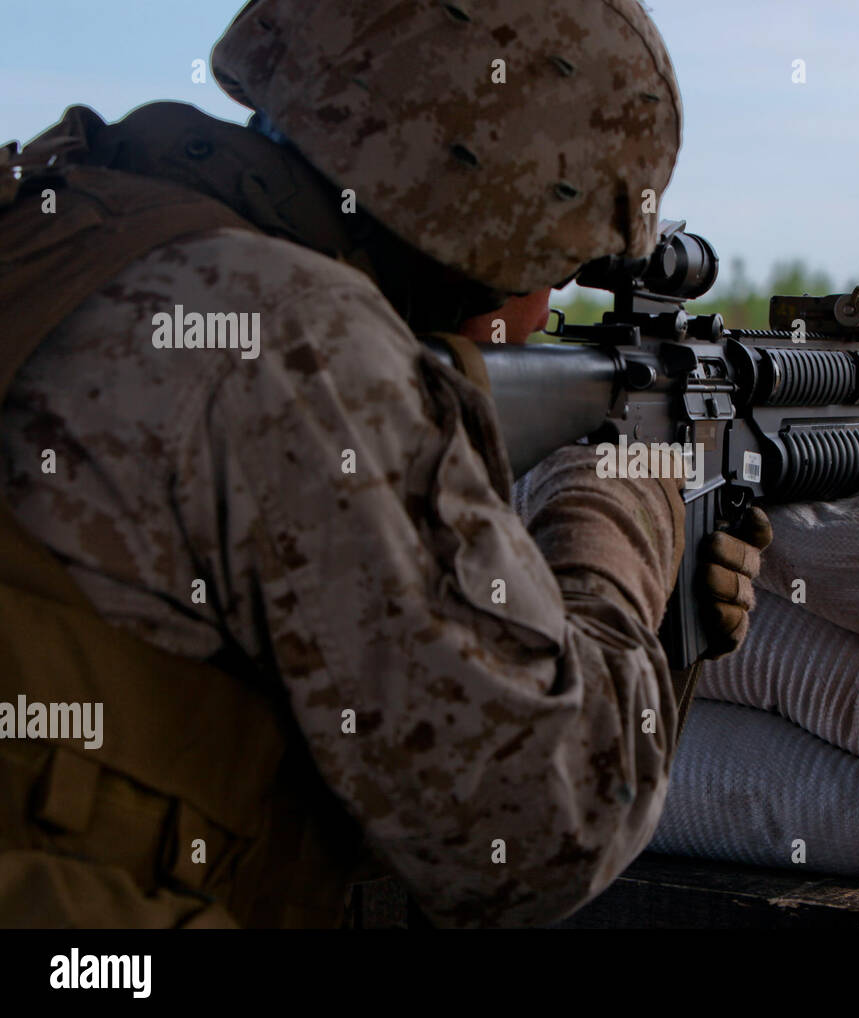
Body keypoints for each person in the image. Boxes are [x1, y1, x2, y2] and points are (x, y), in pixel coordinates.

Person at [0, 0, 769, 928]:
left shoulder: (63, 214)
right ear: (474, 234)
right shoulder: (298, 336)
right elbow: (533, 830)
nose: (537, 319)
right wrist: (614, 543)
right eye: (550, 274)